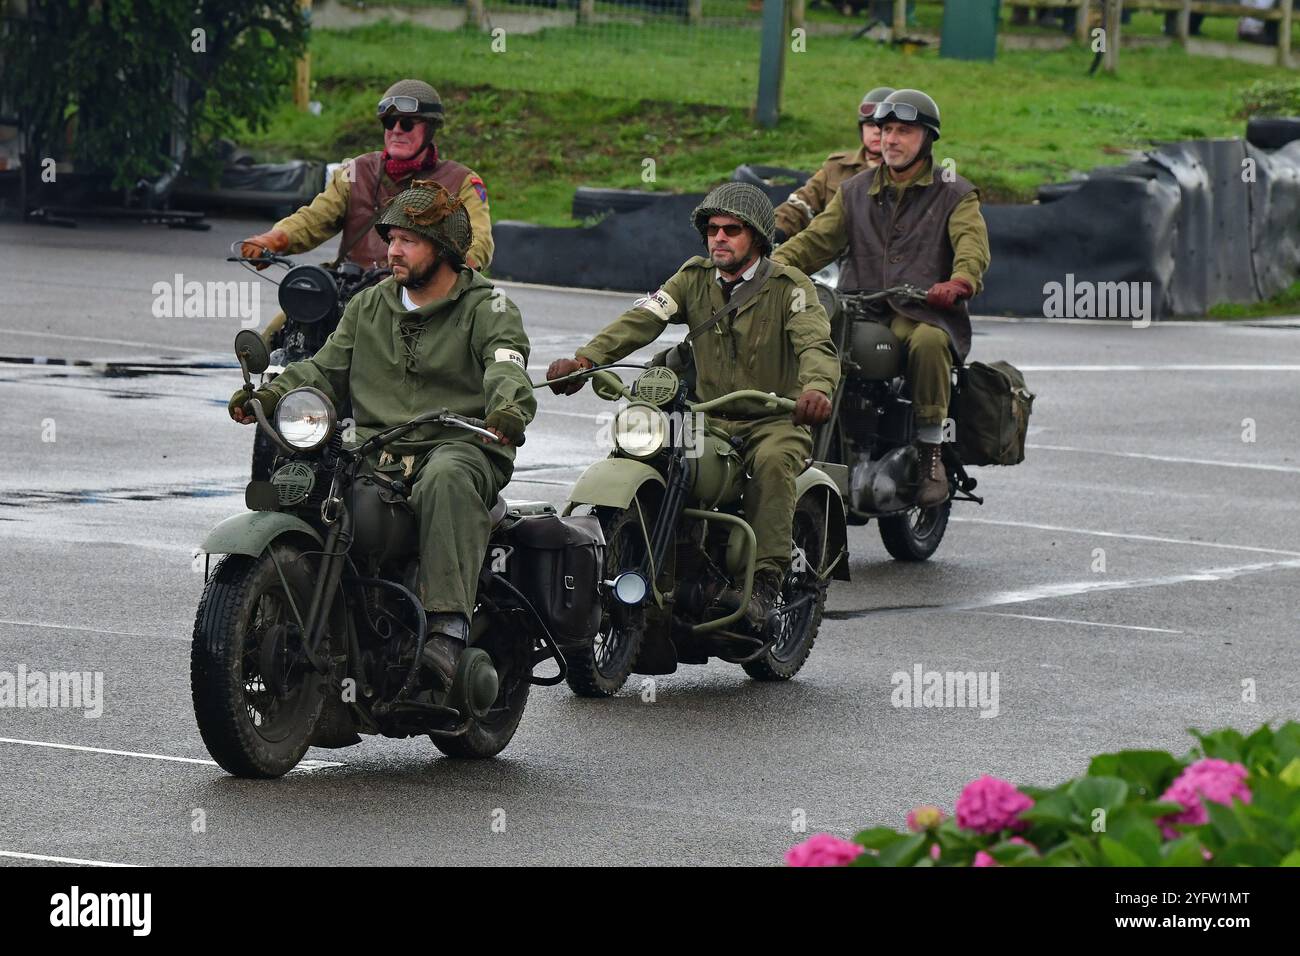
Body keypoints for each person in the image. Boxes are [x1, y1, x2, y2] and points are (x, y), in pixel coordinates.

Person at [228, 181, 534, 691]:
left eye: (408, 240)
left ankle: (446, 628)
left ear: (442, 248)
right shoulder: (370, 306)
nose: (392, 249)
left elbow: (508, 366)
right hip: (376, 451)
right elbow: (323, 369)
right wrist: (269, 394)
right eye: (390, 238)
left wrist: (507, 409)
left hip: (461, 444)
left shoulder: (489, 307)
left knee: (445, 477)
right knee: (314, 479)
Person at [545, 183, 839, 629]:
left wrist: (816, 388)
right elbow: (642, 318)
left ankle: (764, 582)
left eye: (732, 230)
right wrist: (587, 358)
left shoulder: (790, 288)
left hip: (772, 418)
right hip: (704, 417)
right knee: (645, 448)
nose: (719, 238)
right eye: (712, 230)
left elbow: (815, 343)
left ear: (757, 237)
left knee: (775, 462)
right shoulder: (691, 278)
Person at [772, 89, 990, 508]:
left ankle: (930, 454)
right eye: (886, 129)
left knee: (928, 343)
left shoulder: (954, 192)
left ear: (926, 138)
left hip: (922, 310)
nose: (890, 139)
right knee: (808, 338)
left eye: (903, 131)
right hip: (859, 306)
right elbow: (816, 241)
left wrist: (960, 281)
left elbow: (971, 246)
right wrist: (763, 270)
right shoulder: (855, 189)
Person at [238, 79, 494, 344]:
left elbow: (479, 242)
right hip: (349, 288)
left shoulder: (461, 181)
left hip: (418, 294)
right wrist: (274, 239)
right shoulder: (356, 170)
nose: (396, 130)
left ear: (429, 128)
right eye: (389, 122)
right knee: (277, 334)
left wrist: (445, 271)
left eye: (406, 123)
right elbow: (315, 217)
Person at [773, 86, 894, 243]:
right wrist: (775, 231)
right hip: (830, 257)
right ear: (861, 128)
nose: (877, 132)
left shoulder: (907, 173)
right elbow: (800, 204)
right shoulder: (837, 167)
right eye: (871, 125)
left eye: (884, 127)